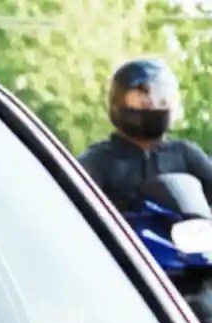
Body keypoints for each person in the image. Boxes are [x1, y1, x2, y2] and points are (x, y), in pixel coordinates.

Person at [78, 58, 212, 213]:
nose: (151, 101)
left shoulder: (184, 153)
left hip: (181, 236)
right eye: (142, 94)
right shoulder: (98, 159)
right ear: (119, 101)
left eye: (160, 95)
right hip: (120, 236)